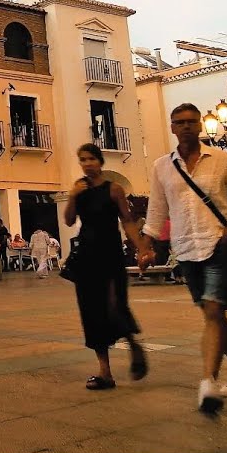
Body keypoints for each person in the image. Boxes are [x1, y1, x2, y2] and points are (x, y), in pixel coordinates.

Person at [144, 103, 227, 414]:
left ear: (200, 126)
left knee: (213, 311)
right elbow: (156, 211)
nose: (187, 126)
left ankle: (208, 382)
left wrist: (226, 237)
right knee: (214, 315)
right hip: (186, 249)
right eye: (181, 122)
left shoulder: (224, 161)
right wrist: (146, 245)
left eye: (192, 121)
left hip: (220, 245)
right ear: (172, 127)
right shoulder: (161, 167)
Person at [63, 143, 154, 391]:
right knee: (91, 312)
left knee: (115, 305)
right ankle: (105, 372)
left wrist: (141, 249)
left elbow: (127, 221)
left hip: (110, 254)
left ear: (101, 161)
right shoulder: (78, 190)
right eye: (82, 159)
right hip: (86, 257)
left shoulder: (114, 189)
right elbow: (69, 220)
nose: (87, 163)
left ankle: (132, 343)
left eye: (91, 158)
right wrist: (72, 195)